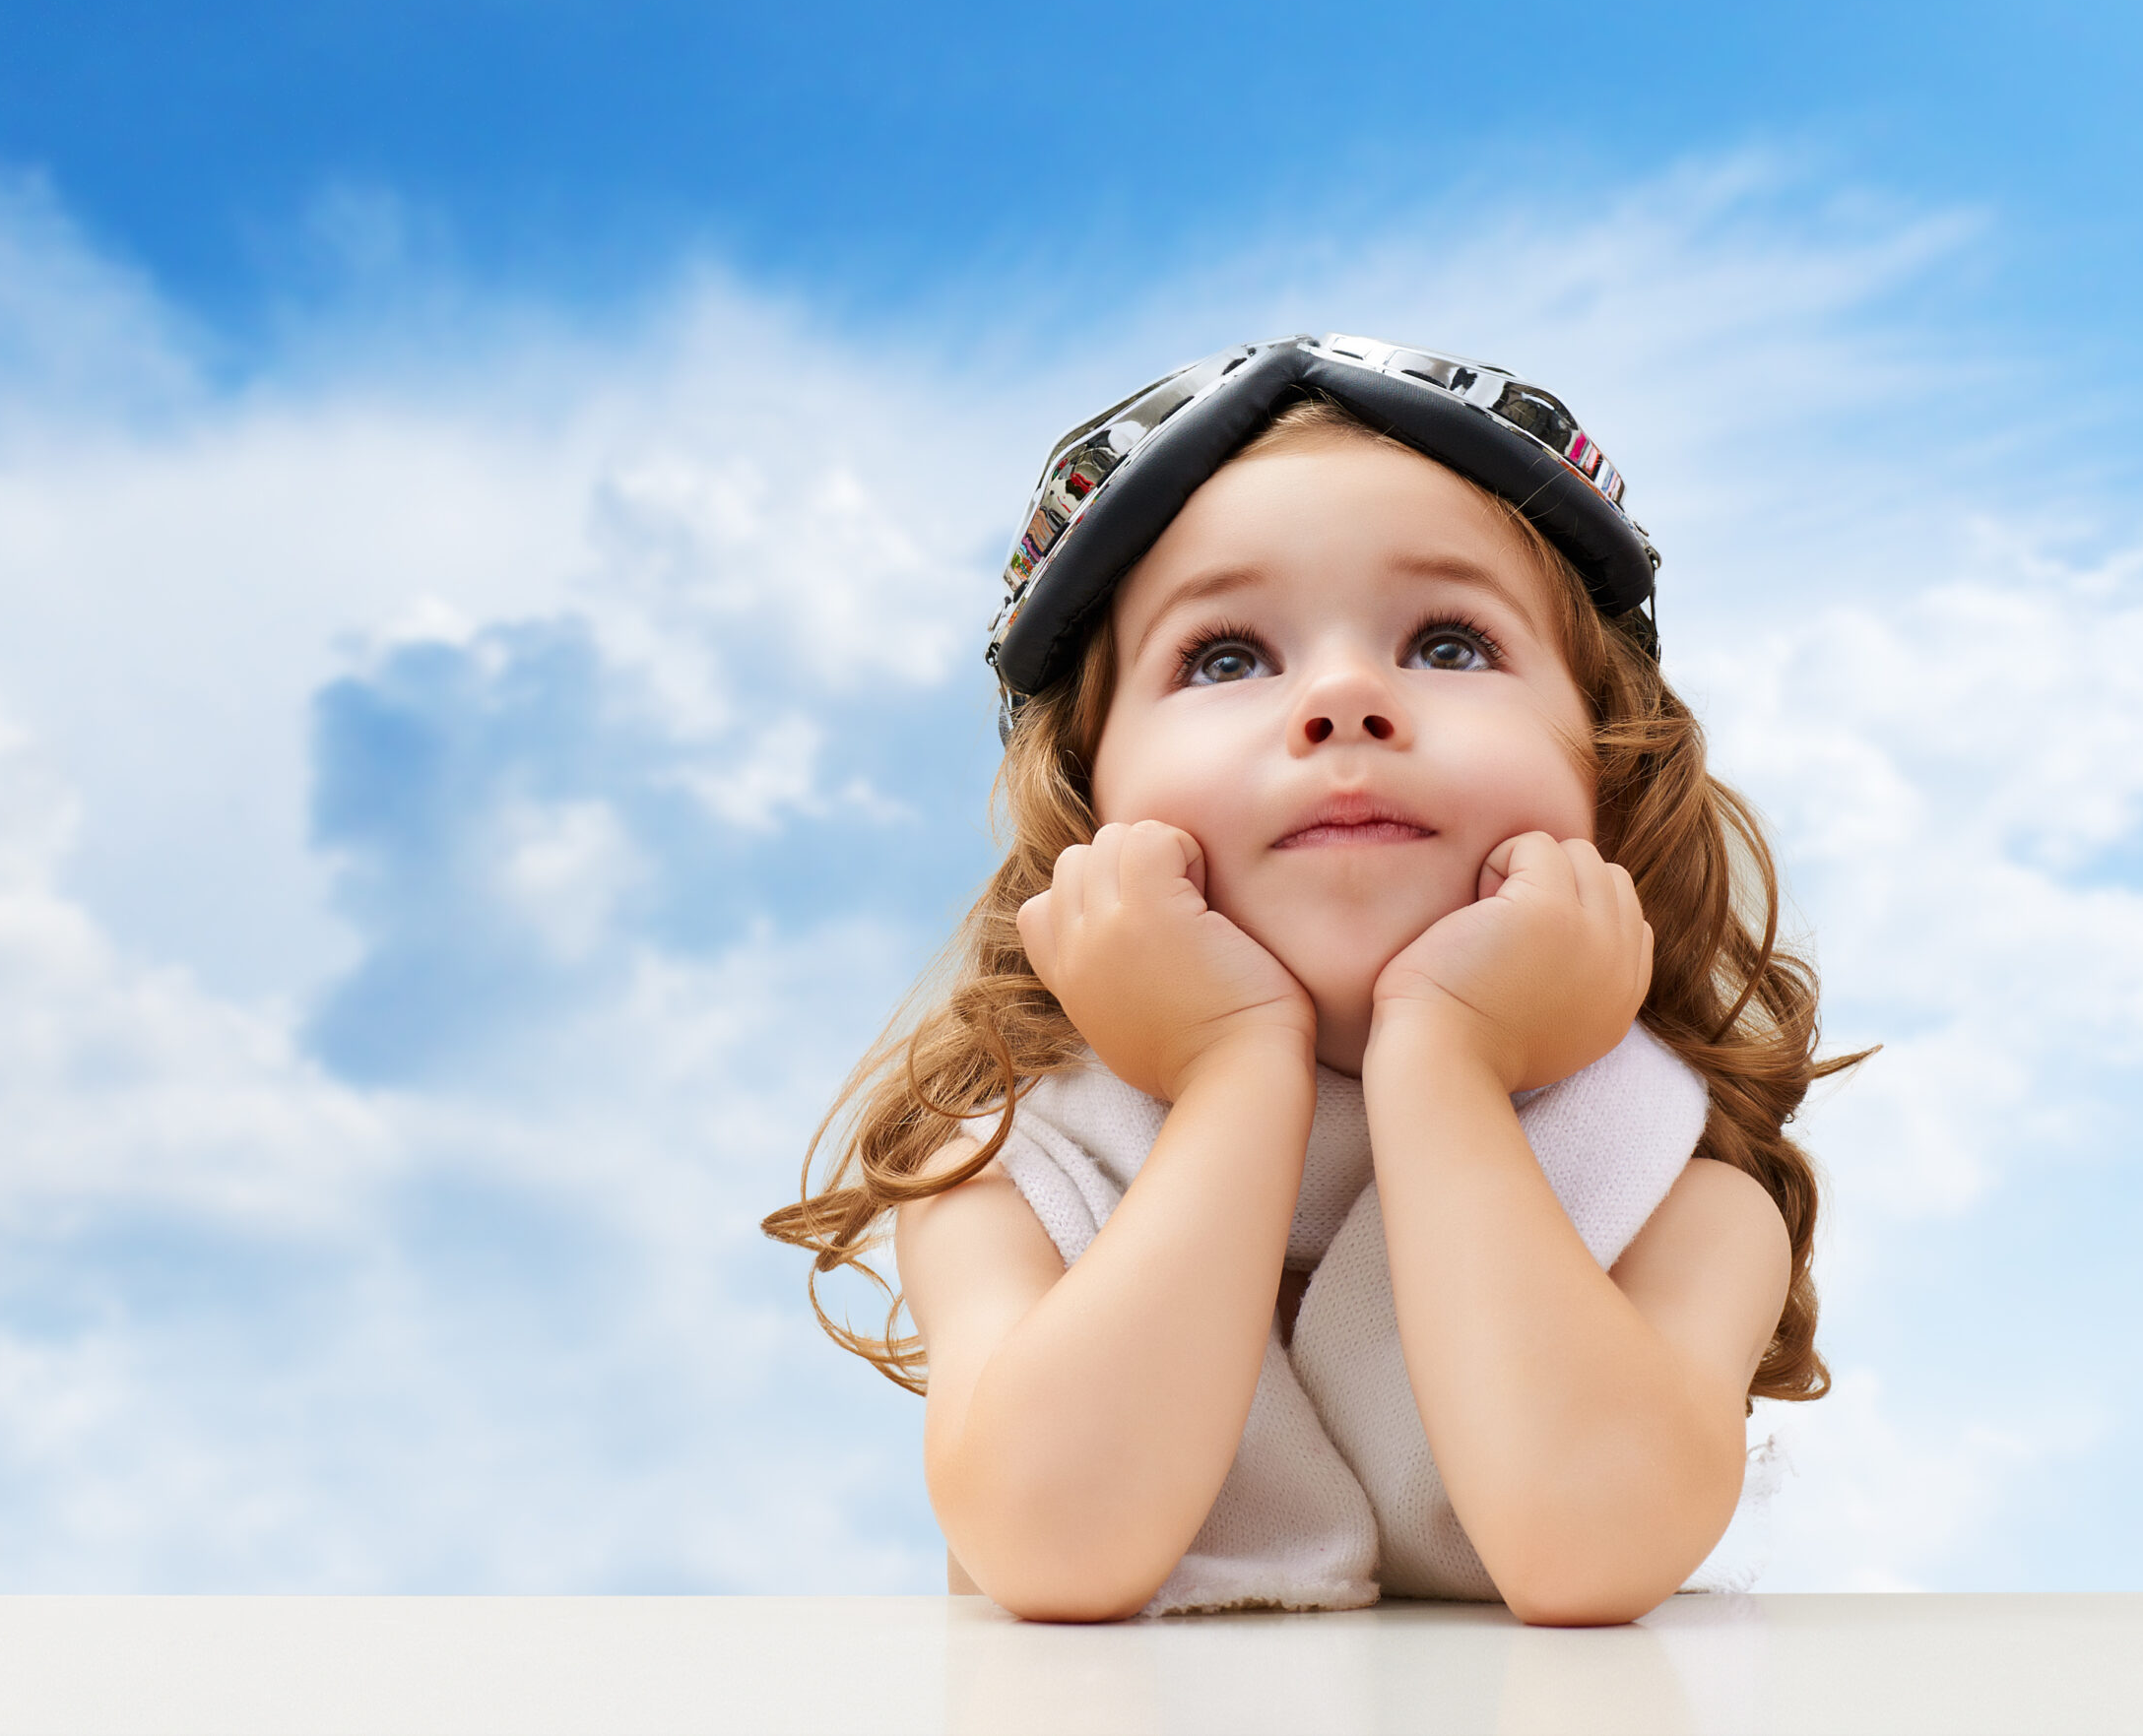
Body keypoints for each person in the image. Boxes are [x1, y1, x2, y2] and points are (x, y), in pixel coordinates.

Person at [763, 336, 1860, 1626]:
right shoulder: (1014, 1167)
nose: (1344, 698)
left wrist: (1444, 1062)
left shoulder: (1671, 1181)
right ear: (1085, 810)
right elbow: (1052, 1546)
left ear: (1610, 772)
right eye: (1227, 658)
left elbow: (1588, 1551)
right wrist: (1236, 1066)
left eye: (1449, 644)